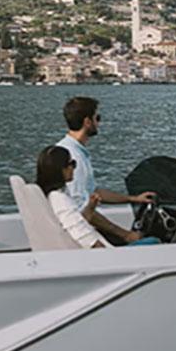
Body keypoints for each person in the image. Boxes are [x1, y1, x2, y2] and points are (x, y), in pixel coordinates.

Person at [54, 95, 155, 243]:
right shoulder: (73, 159)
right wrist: (125, 235)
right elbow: (82, 209)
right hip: (83, 238)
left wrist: (133, 199)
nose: (99, 123)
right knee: (153, 243)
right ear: (87, 122)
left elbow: (95, 192)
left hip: (83, 231)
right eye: (97, 118)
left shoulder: (70, 150)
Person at [35, 145, 155, 249]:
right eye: (71, 164)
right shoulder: (60, 200)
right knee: (155, 242)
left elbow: (77, 224)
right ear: (61, 169)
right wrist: (107, 255)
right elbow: (82, 235)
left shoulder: (53, 196)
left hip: (96, 254)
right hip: (104, 256)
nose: (73, 168)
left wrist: (90, 208)